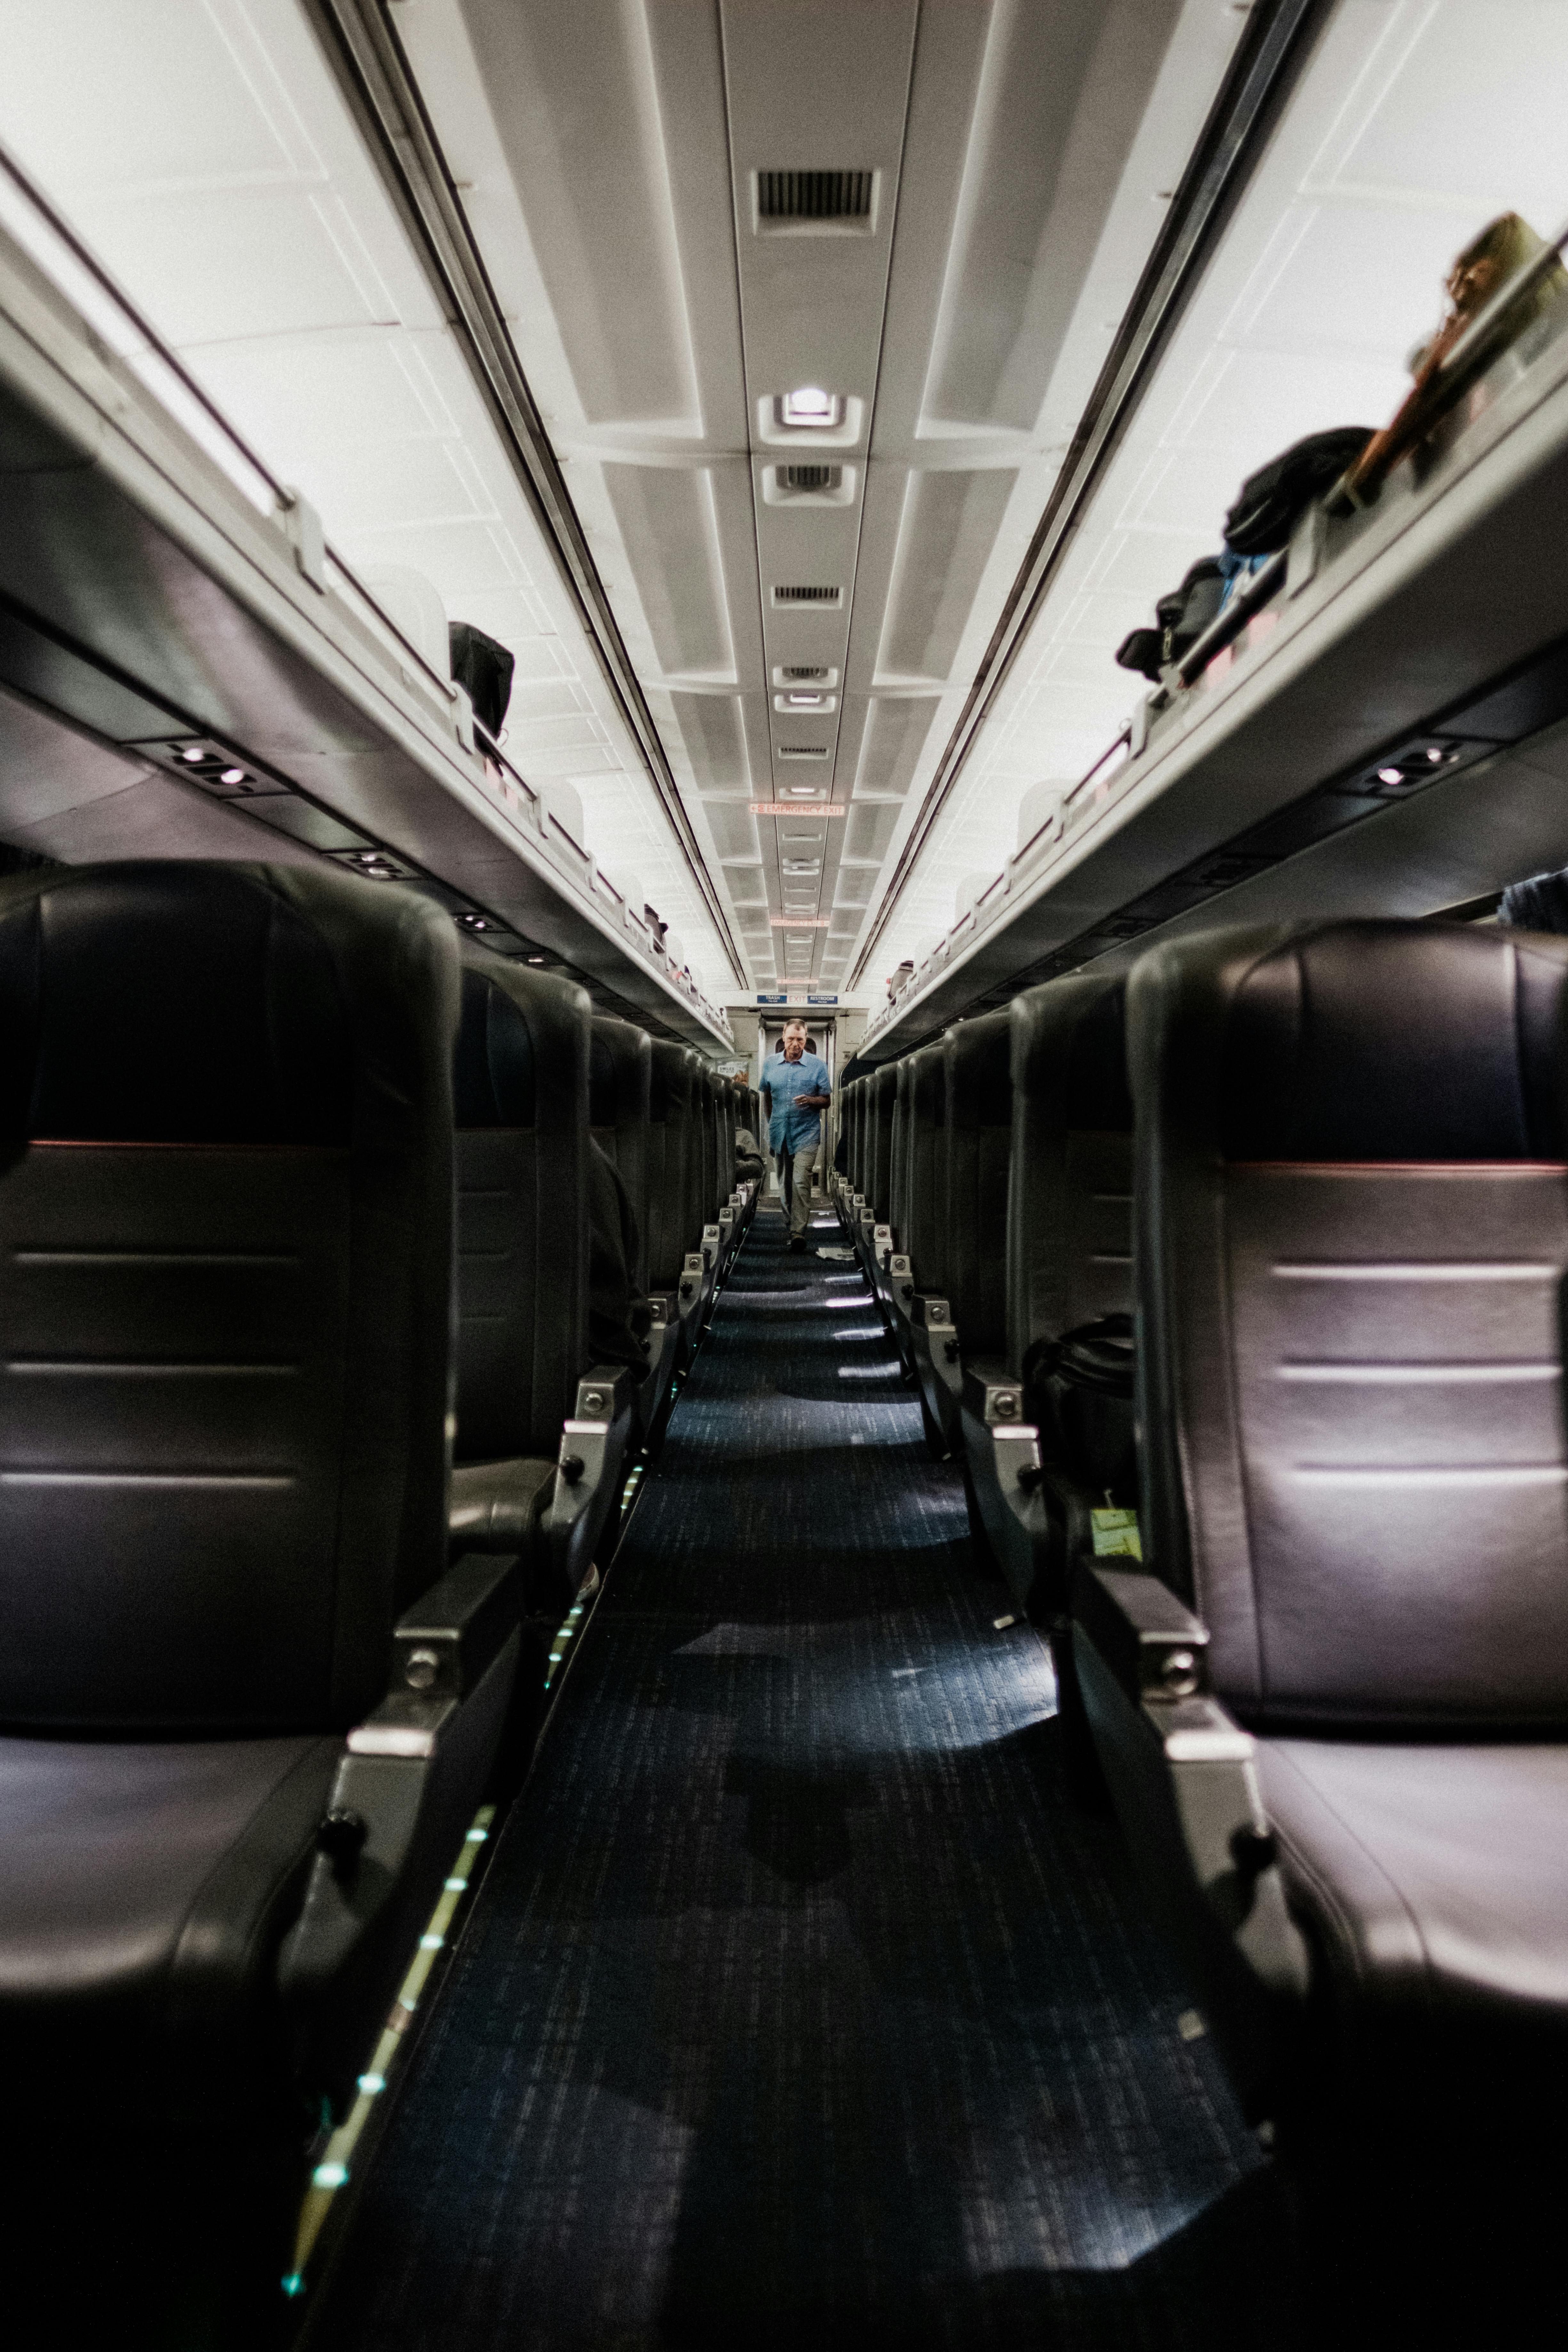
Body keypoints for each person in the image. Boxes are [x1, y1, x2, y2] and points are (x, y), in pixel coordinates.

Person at [760, 1018, 832, 1252]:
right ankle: (790, 1224)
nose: (795, 1044)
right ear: (783, 1037)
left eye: (800, 1040)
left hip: (807, 1134)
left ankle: (798, 1232)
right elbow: (767, 1096)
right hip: (779, 1132)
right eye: (791, 1039)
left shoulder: (818, 1066)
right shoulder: (770, 1064)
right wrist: (772, 1123)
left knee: (801, 1182)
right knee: (784, 1184)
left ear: (806, 1039)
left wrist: (811, 1100)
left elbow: (827, 1101)